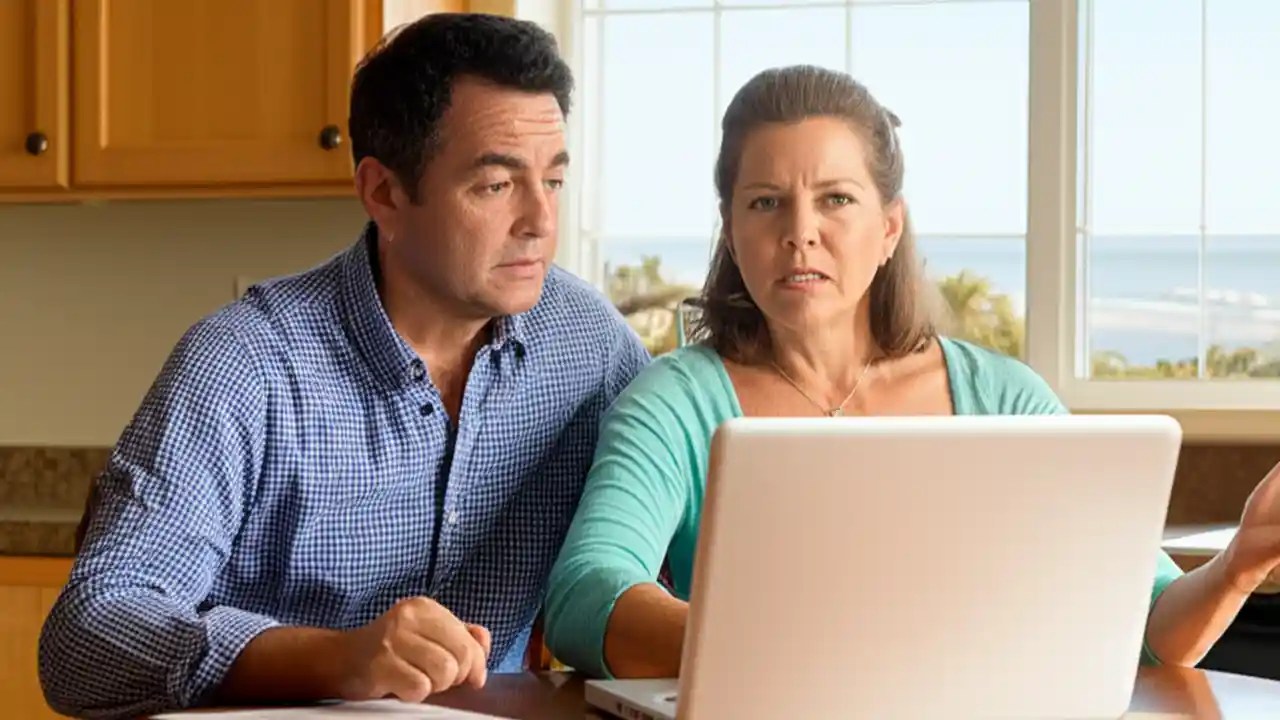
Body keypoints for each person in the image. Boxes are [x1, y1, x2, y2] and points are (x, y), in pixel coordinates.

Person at [543, 64, 1280, 680]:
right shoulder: (674, 403)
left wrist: (1239, 564)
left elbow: (1148, 624)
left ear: (888, 227)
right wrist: (786, 659)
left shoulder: (1003, 400)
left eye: (836, 199)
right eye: (766, 203)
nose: (800, 231)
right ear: (732, 232)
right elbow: (586, 596)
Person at [38, 13, 648, 719]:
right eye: (495, 186)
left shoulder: (589, 346)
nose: (541, 220)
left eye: (554, 181)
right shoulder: (245, 363)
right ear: (383, 192)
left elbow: (682, 534)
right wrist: (337, 659)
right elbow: (85, 640)